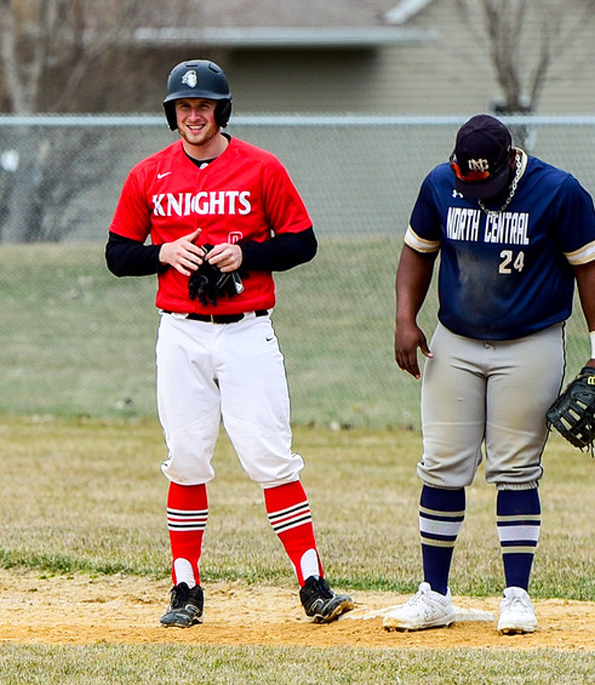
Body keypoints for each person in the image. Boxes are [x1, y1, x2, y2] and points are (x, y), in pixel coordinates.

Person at [105, 59, 353, 627]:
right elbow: (118, 255)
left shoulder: (260, 169)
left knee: (270, 455)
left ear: (222, 111)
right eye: (185, 107)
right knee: (187, 459)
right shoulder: (150, 175)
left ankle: (312, 582)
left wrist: (250, 253)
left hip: (246, 331)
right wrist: (162, 253)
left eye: (204, 106)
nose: (194, 116)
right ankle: (185, 589)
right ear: (173, 114)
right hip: (181, 333)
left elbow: (303, 243)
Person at [385, 114, 595, 635]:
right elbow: (417, 251)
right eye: (472, 181)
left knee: (515, 469)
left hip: (529, 343)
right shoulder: (441, 184)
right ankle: (434, 595)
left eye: (489, 181)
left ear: (512, 160)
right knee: (441, 464)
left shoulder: (558, 192)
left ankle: (516, 595)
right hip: (456, 341)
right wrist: (405, 318)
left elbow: (591, 270)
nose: (480, 191)